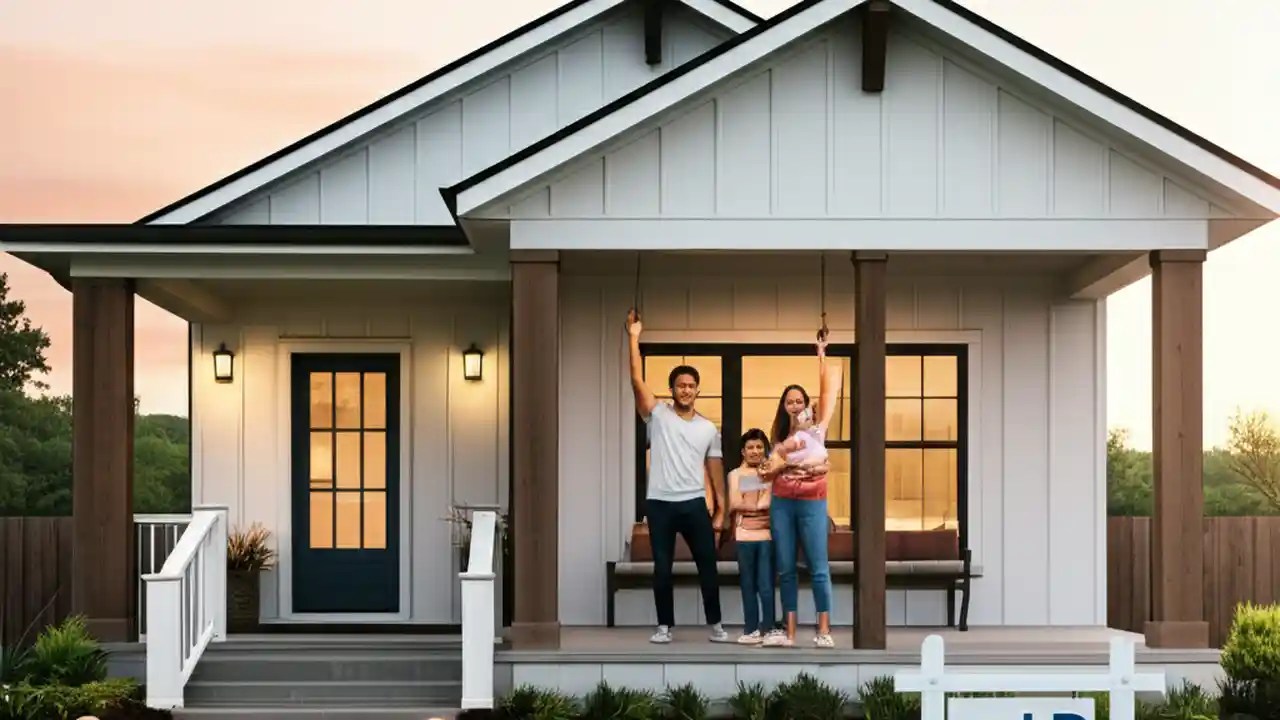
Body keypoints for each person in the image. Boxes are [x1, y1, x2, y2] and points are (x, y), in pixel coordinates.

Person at [626, 308, 729, 644]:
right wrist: (633, 338)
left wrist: (722, 509)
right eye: (680, 385)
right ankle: (664, 627)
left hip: (694, 503)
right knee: (662, 566)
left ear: (698, 390)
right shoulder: (658, 415)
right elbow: (636, 381)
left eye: (691, 385)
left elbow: (715, 468)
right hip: (660, 504)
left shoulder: (708, 428)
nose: (686, 390)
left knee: (707, 564)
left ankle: (716, 624)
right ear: (671, 389)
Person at [760, 328, 841, 649]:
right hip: (782, 504)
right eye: (789, 401)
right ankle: (790, 632)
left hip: (812, 504)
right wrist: (779, 466)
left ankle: (824, 630)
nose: (794, 405)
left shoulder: (817, 431)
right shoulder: (779, 440)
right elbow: (767, 473)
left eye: (799, 401)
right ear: (783, 407)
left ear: (807, 406)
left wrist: (821, 354)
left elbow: (827, 391)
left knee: (819, 566)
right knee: (786, 568)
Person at [727, 428, 783, 645]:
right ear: (743, 451)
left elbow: (769, 503)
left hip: (767, 537)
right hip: (744, 535)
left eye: (759, 447)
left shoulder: (770, 474)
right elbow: (735, 503)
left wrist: (751, 504)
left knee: (766, 585)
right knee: (748, 585)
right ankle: (750, 629)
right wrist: (758, 506)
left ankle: (768, 629)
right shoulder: (735, 475)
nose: (755, 451)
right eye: (750, 447)